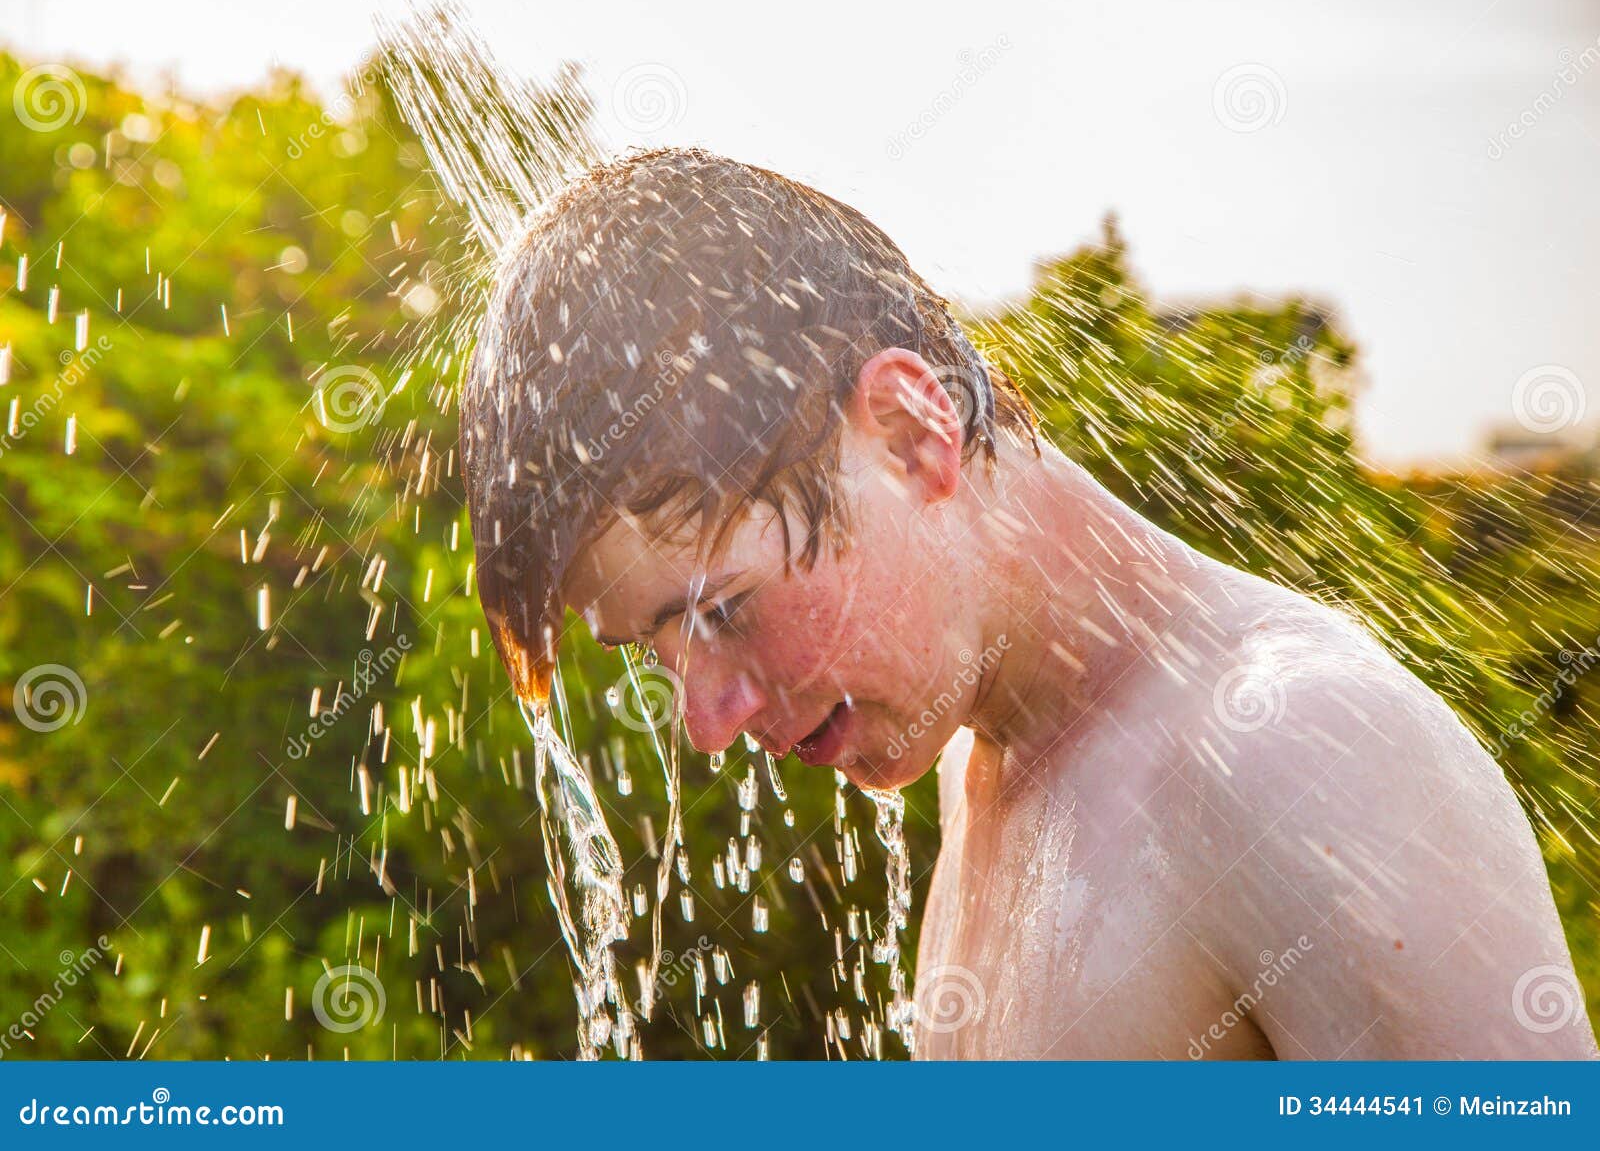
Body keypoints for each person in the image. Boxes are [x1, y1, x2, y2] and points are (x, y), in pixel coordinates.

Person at [459, 148, 1597, 1059]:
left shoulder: (1297, 756)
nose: (704, 722)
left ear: (911, 433)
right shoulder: (987, 764)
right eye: (653, 645)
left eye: (720, 609)